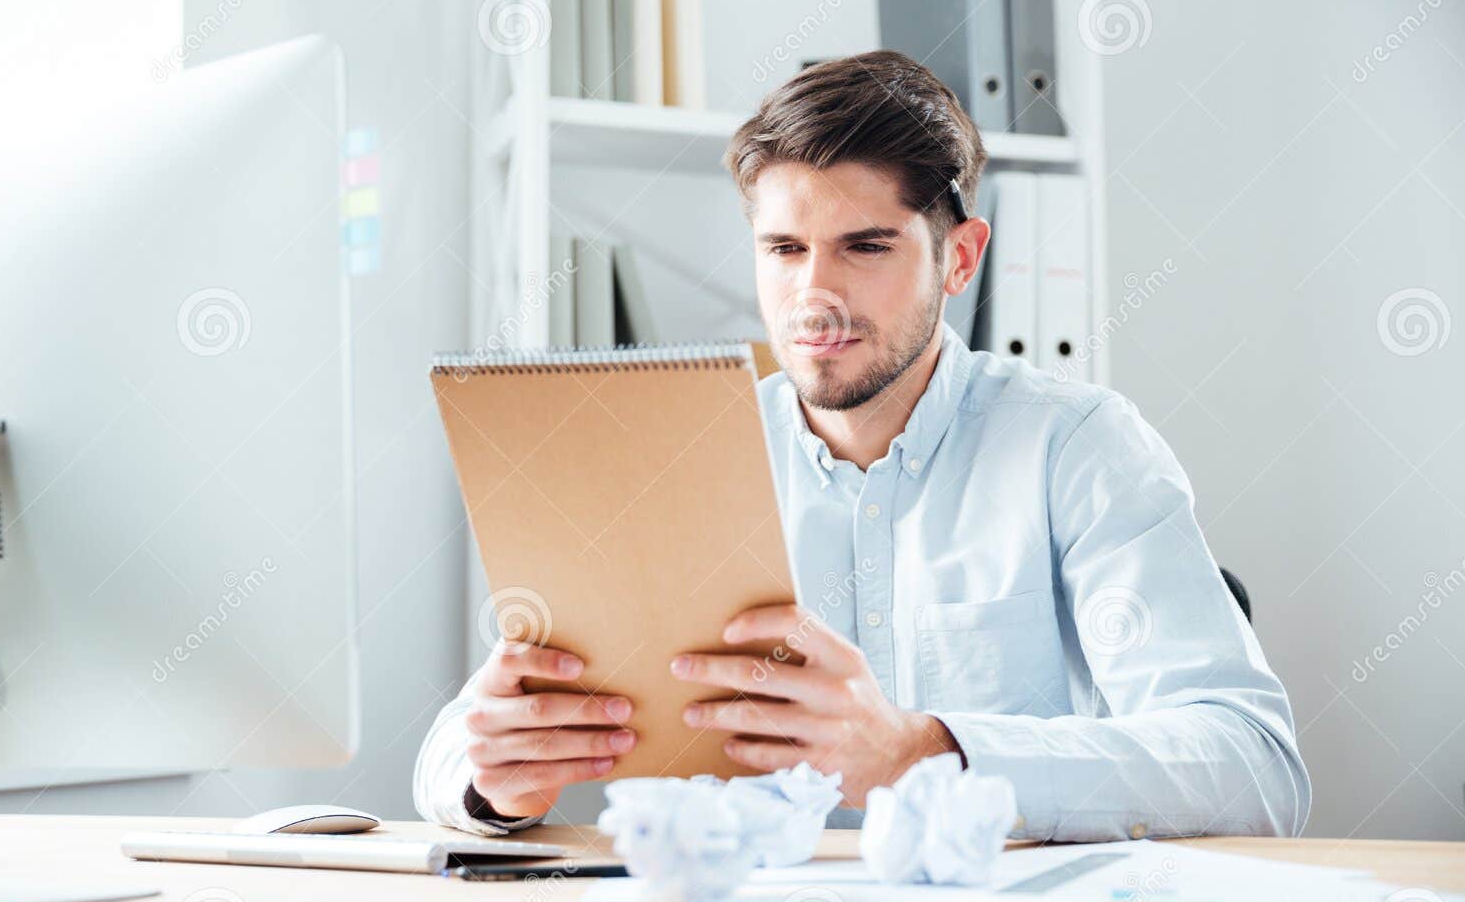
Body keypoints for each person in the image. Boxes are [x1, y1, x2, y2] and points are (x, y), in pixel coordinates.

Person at [413, 50, 1310, 842]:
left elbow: (1254, 763)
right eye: (784, 248)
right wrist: (491, 778)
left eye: (865, 246)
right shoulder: (671, 451)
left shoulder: (1078, 446)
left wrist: (921, 752)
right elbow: (455, 746)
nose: (815, 294)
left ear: (959, 259)